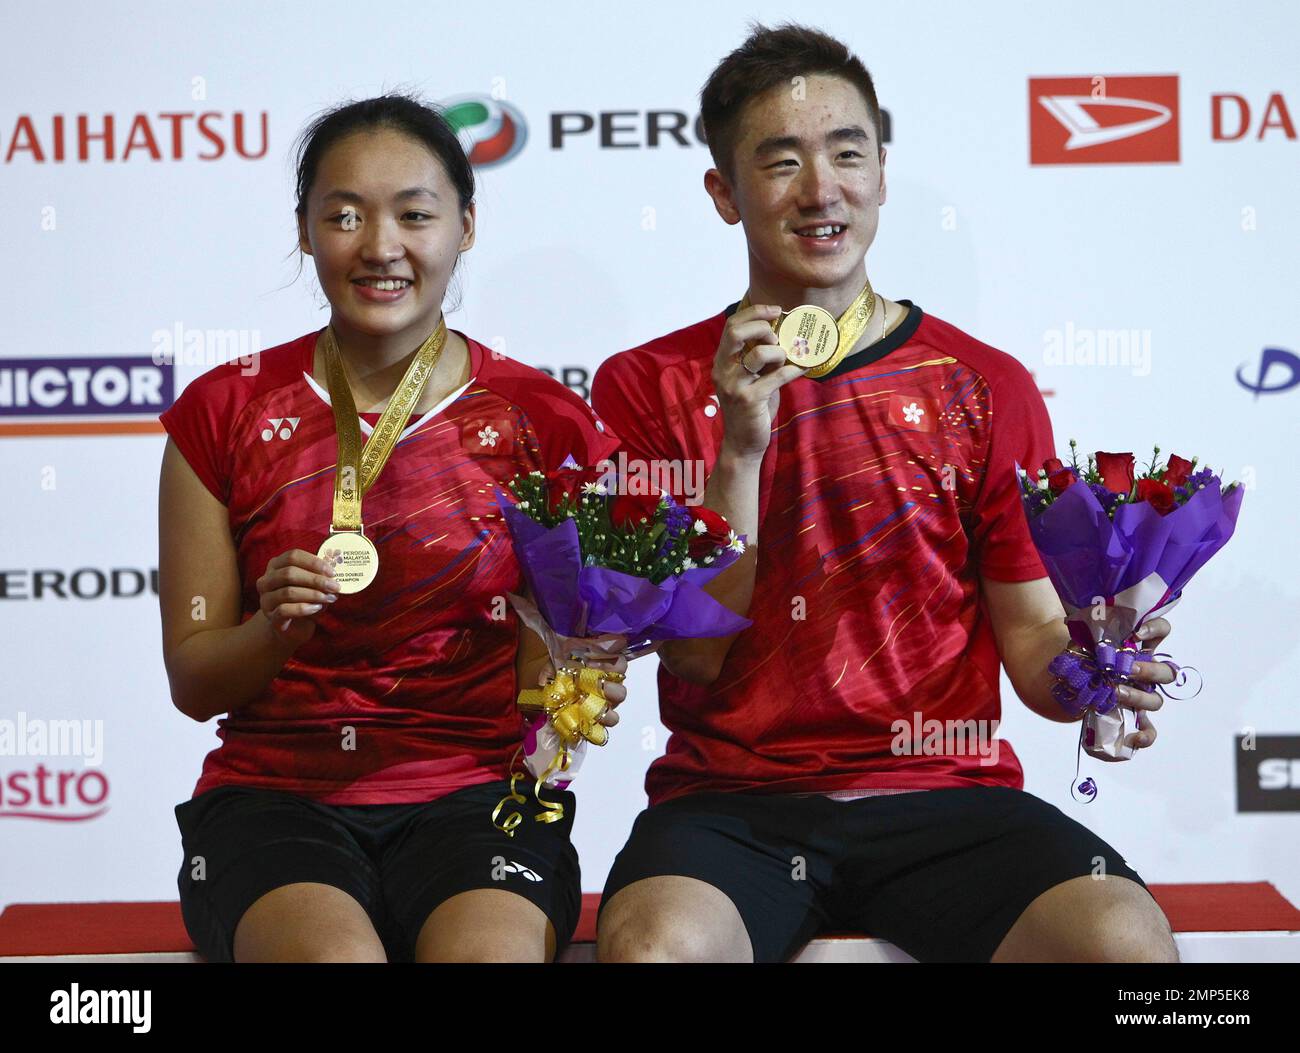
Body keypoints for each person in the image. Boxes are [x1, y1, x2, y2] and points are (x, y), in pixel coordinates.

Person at [590, 24, 1179, 963]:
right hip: (731, 805)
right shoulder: (649, 382)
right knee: (653, 952)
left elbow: (1030, 641)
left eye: (847, 153)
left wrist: (1095, 674)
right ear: (722, 193)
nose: (822, 189)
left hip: (949, 799)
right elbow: (695, 662)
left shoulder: (986, 384)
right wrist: (738, 448)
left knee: (1126, 944)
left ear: (882, 173)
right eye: (780, 161)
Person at [158, 94, 623, 963]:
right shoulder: (222, 413)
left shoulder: (543, 421)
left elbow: (551, 672)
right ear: (304, 229)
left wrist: (572, 689)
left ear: (465, 228)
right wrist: (274, 630)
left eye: (415, 214)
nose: (381, 247)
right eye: (344, 215)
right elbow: (194, 679)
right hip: (274, 799)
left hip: (480, 796)